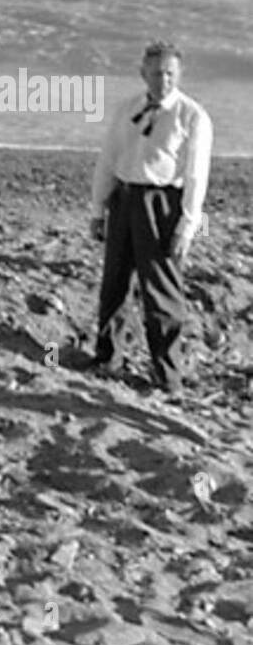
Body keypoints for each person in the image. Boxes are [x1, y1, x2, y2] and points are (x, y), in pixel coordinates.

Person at [89, 42, 213, 394]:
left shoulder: (192, 116)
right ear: (143, 73)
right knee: (114, 282)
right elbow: (108, 158)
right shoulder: (127, 108)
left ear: (180, 75)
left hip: (162, 204)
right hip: (124, 198)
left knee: (161, 289)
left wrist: (188, 226)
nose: (164, 81)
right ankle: (106, 357)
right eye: (157, 73)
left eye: (171, 73)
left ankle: (167, 373)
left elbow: (195, 175)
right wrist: (98, 209)